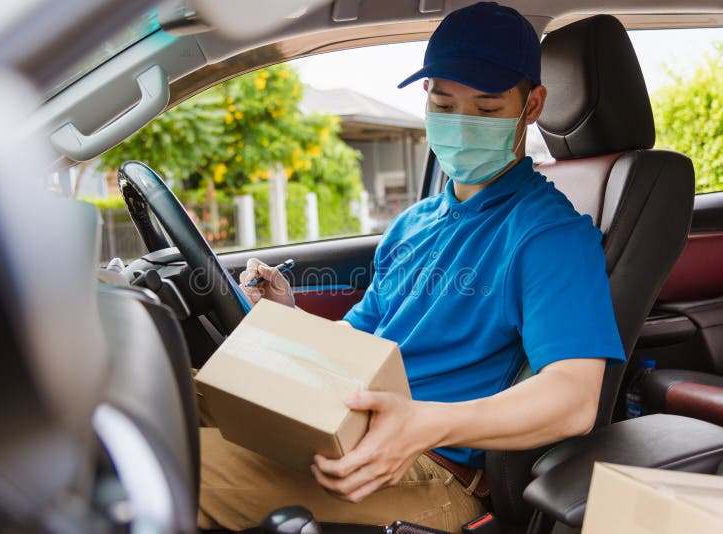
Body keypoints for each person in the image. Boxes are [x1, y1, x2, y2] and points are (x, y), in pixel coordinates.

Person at [197, 2, 625, 531]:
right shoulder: (411, 225)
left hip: (433, 471)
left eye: (487, 109)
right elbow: (360, 345)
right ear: (426, 97)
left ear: (531, 104)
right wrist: (289, 318)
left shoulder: (549, 236)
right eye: (445, 104)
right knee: (172, 396)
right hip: (354, 425)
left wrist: (423, 425)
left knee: (169, 466)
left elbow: (573, 399)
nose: (463, 124)